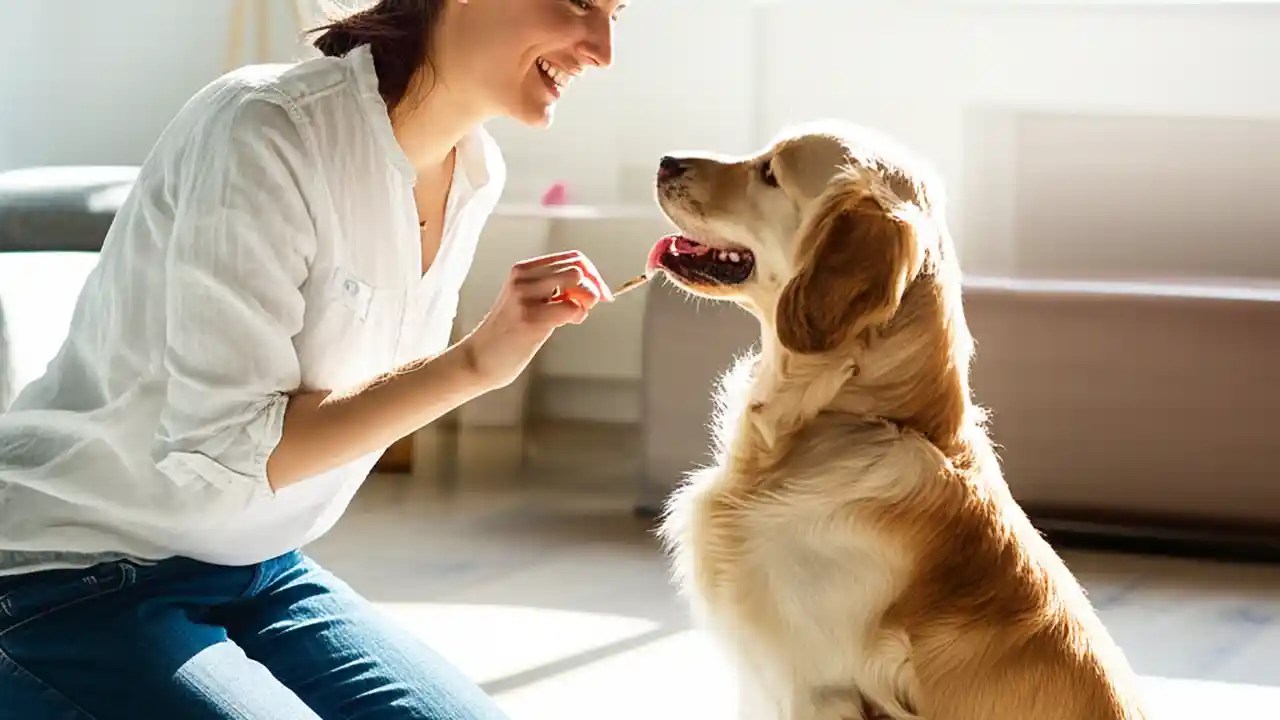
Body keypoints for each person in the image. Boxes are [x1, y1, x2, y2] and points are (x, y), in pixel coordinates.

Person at [0, 1, 630, 717]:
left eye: (618, 12)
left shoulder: (478, 171)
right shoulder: (264, 128)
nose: (603, 49)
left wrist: (477, 362)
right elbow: (224, 447)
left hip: (256, 569)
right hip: (67, 570)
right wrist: (476, 364)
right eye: (581, 2)